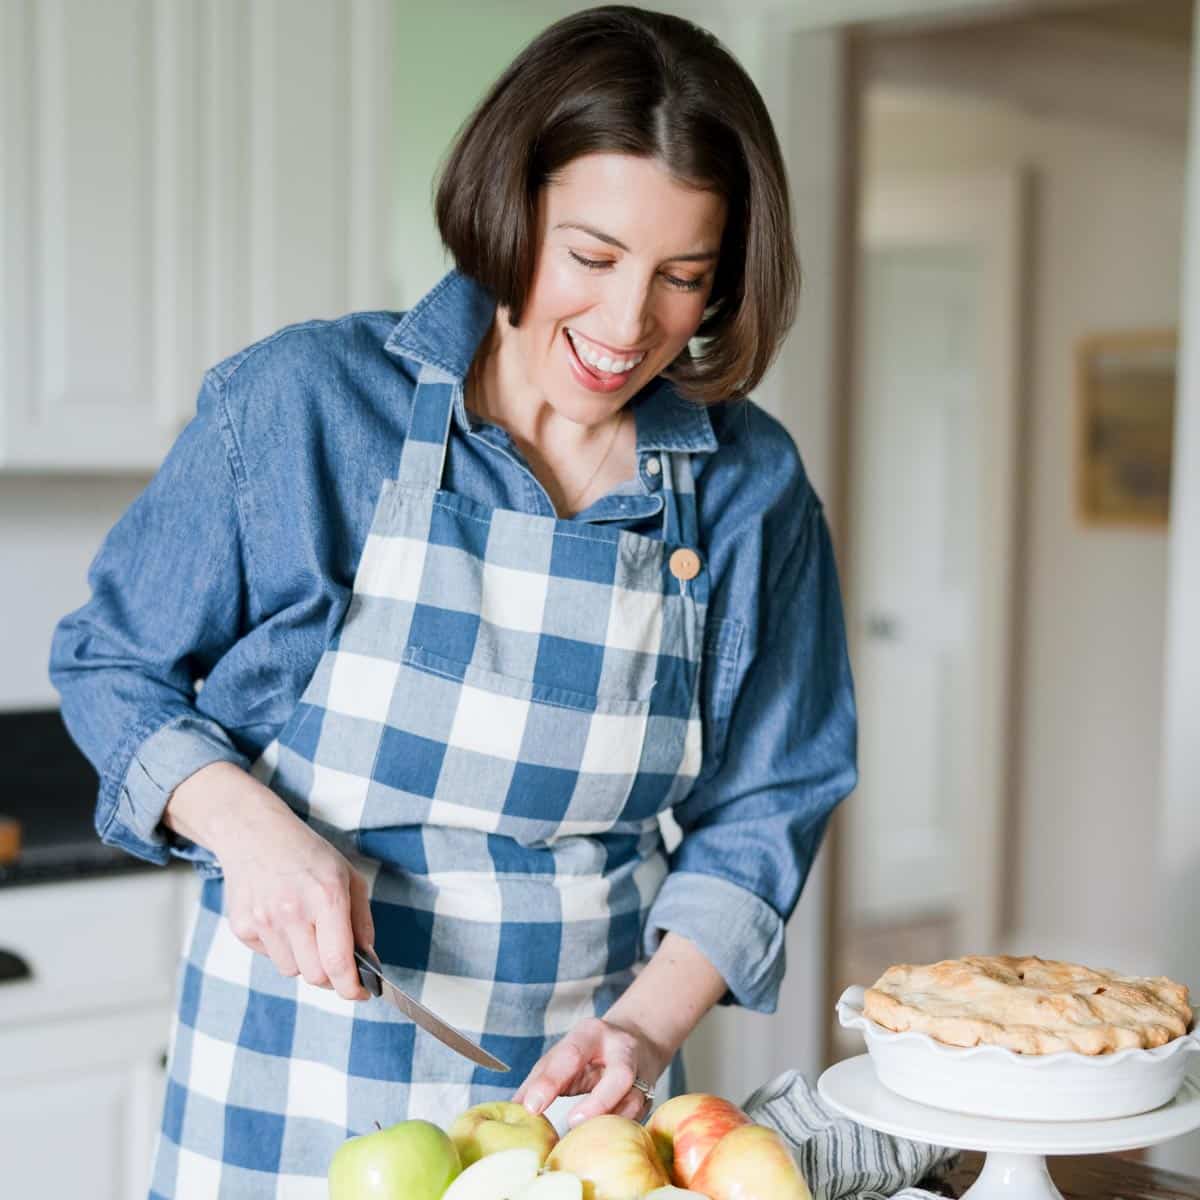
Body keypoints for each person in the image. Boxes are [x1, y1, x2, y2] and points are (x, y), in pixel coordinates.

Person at [50, 5, 857, 1195]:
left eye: (683, 279)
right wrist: (246, 826)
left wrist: (640, 1030)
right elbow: (110, 662)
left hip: (582, 1106)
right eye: (590, 257)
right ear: (508, 204)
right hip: (281, 1083)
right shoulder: (307, 407)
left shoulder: (749, 489)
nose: (629, 327)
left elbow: (772, 800)